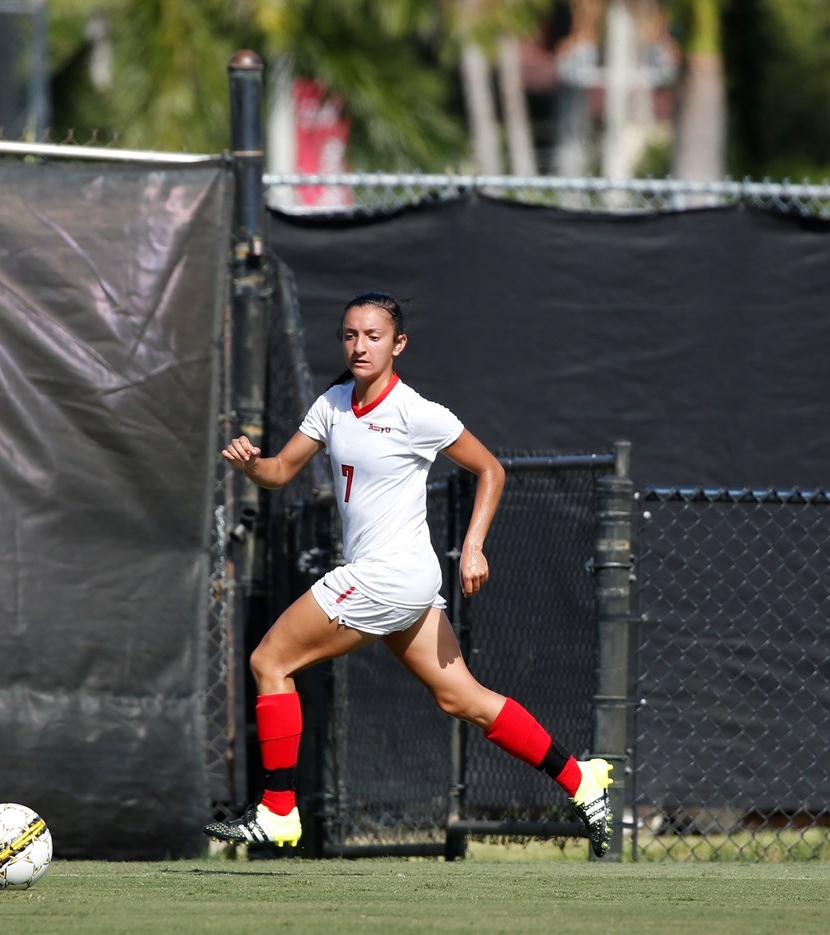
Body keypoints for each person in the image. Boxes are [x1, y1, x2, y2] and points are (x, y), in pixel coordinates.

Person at [206, 292, 615, 856]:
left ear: (398, 344)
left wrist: (473, 547)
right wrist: (253, 465)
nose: (360, 346)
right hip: (401, 583)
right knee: (462, 698)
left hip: (389, 576)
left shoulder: (416, 413)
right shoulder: (332, 404)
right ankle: (580, 778)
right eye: (350, 335)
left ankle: (279, 811)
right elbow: (279, 471)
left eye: (373, 336)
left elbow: (490, 470)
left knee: (269, 661)